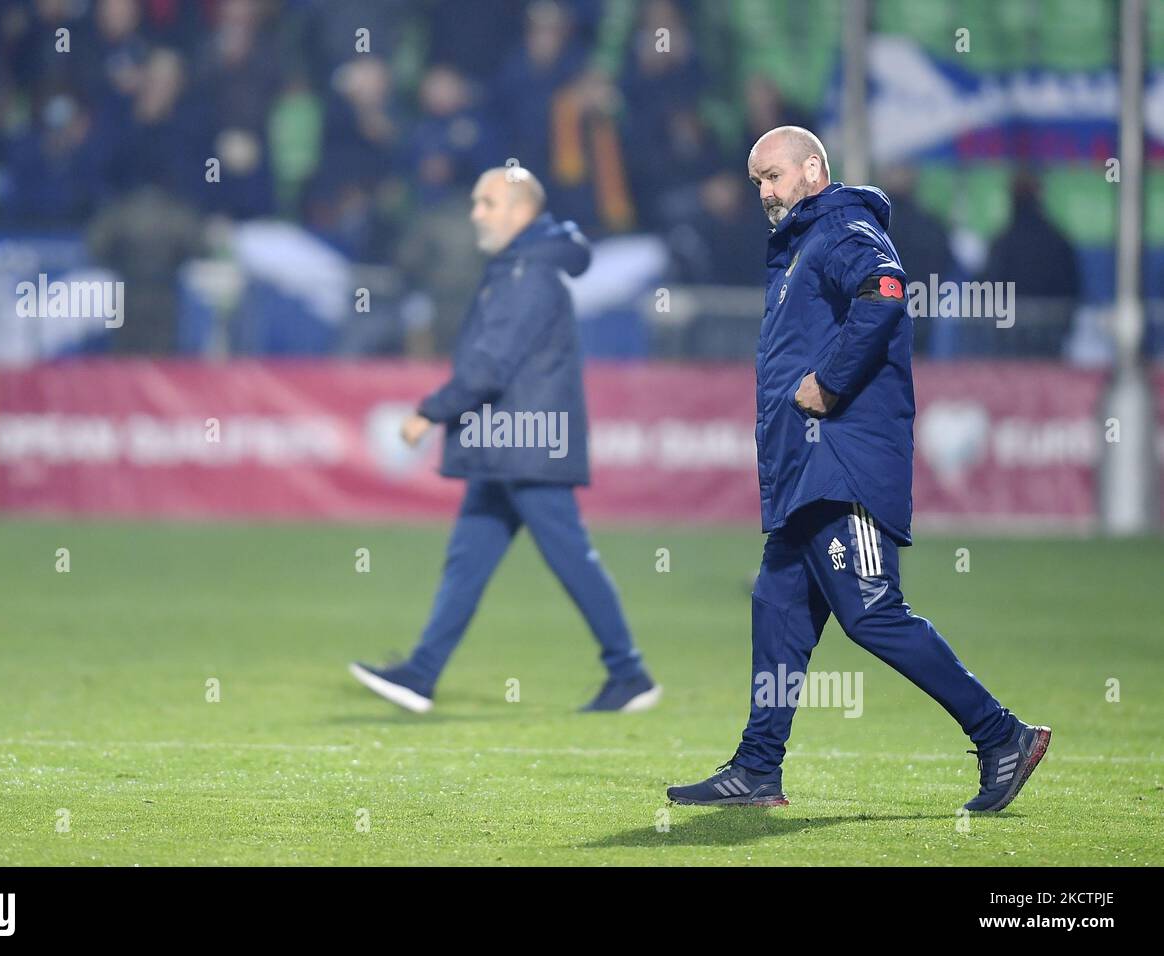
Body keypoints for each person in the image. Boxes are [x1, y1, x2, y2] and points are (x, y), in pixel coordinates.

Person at [666, 127, 1049, 813]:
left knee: (872, 611)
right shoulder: (801, 246)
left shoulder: (842, 225)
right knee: (777, 609)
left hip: (843, 463)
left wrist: (832, 382)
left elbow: (886, 292)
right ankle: (758, 768)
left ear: (813, 169)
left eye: (774, 176)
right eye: (757, 180)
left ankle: (1002, 736)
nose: (765, 192)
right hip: (806, 472)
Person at [350, 166, 660, 714]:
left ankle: (629, 672)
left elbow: (490, 366)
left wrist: (429, 412)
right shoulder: (523, 268)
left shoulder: (527, 275)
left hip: (525, 444)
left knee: (570, 558)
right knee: (469, 562)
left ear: (520, 211)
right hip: (507, 443)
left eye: (486, 203)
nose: (475, 214)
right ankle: (421, 674)